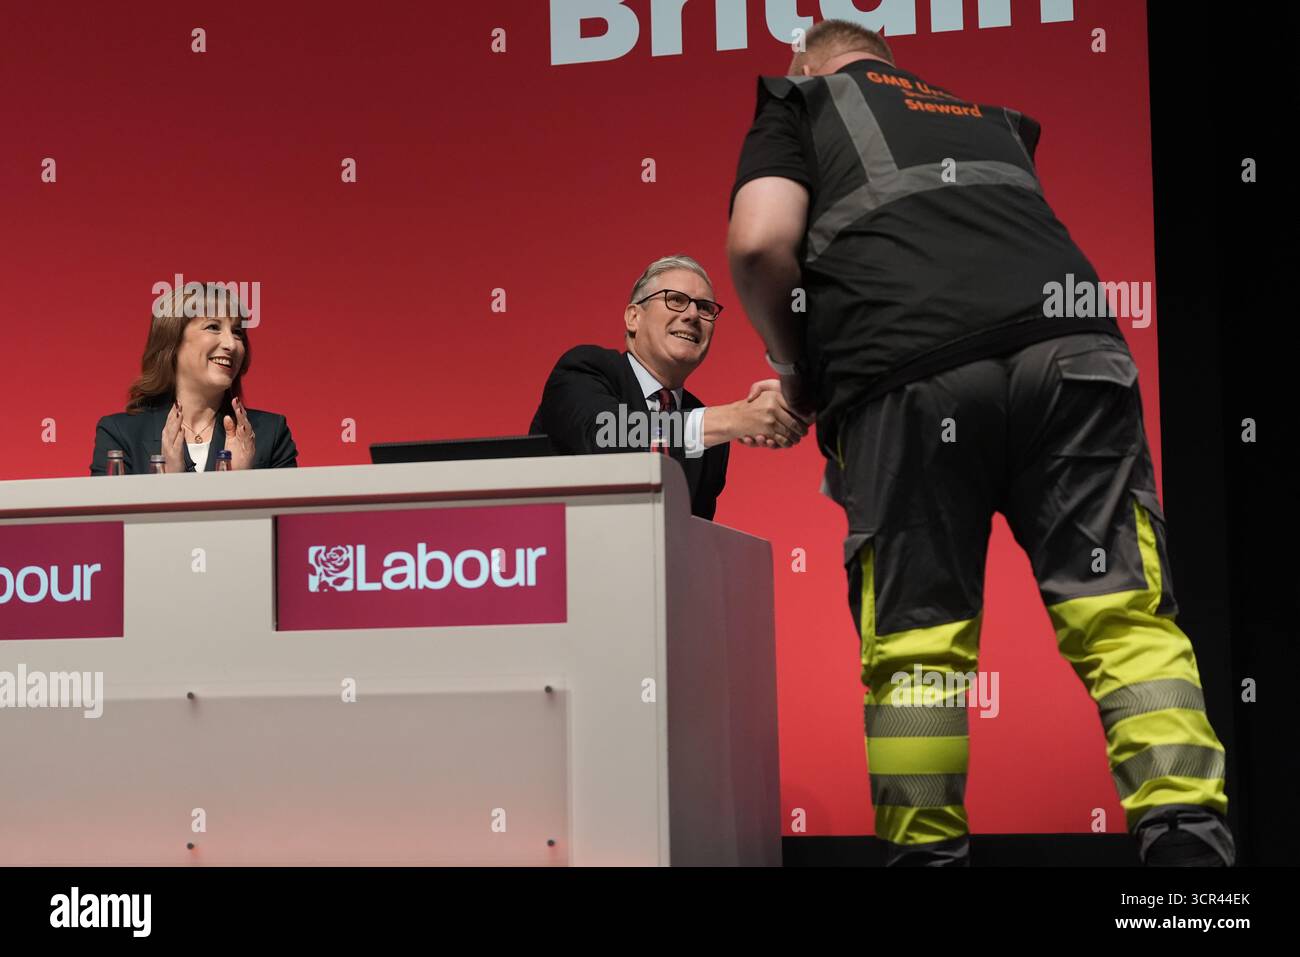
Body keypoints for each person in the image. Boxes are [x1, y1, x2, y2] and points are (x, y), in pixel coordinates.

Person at [726, 20, 1234, 866]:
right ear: (892, 62)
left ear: (804, 61)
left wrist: (796, 368)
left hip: (909, 372)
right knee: (1124, 617)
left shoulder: (798, 99)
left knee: (918, 645)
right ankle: (1187, 853)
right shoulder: (987, 117)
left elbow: (758, 242)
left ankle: (927, 857)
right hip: (1077, 356)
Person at [530, 254, 808, 520]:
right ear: (633, 317)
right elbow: (608, 434)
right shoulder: (584, 369)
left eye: (705, 307)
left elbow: (691, 538)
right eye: (675, 300)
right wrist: (736, 418)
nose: (692, 315)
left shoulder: (709, 433)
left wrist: (791, 411)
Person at [90, 283, 298, 475]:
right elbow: (110, 514)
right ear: (173, 341)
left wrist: (240, 481)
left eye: (237, 332)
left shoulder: (271, 432)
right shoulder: (120, 434)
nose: (232, 345)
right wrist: (168, 482)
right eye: (213, 327)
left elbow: (287, 513)